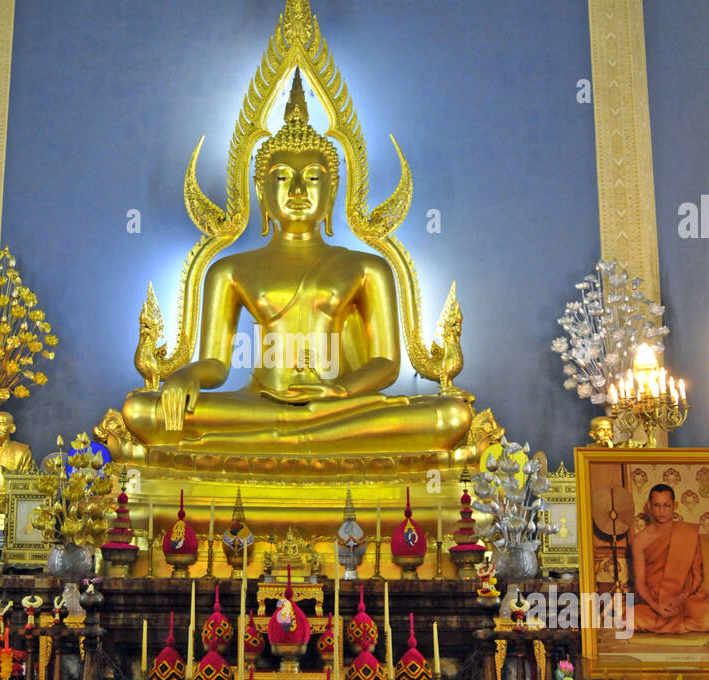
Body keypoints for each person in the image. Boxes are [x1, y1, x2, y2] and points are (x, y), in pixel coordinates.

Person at [122, 71, 472, 454]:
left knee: (449, 414)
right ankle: (297, 437)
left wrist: (338, 391)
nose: (299, 191)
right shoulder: (229, 270)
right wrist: (188, 374)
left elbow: (387, 363)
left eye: (314, 178)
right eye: (283, 177)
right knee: (142, 410)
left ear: (334, 189)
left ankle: (280, 441)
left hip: (336, 405)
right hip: (259, 405)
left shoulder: (367, 267)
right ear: (261, 189)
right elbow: (216, 364)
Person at [630, 483, 709, 634]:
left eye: (666, 505)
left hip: (686, 599)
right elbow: (640, 584)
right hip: (657, 602)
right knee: (630, 618)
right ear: (649, 506)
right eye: (657, 505)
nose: (662, 510)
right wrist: (655, 606)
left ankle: (670, 625)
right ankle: (681, 625)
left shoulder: (688, 533)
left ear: (675, 505)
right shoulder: (640, 540)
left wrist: (680, 598)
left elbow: (697, 576)